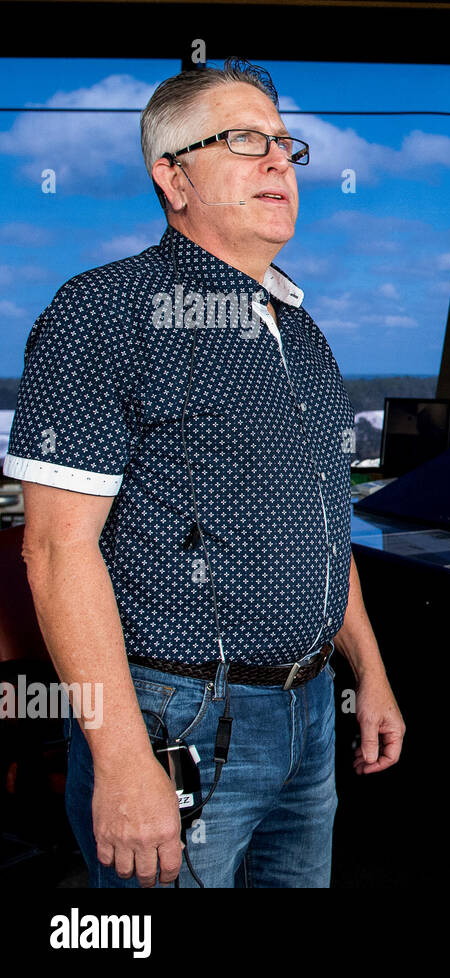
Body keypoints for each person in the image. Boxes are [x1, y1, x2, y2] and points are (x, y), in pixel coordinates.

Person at [4, 58, 404, 887]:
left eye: (285, 145)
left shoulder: (304, 334)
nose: (276, 162)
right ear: (172, 176)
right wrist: (118, 761)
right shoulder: (103, 313)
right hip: (178, 717)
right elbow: (53, 552)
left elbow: (327, 531)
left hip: (308, 716)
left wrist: (369, 672)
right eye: (244, 141)